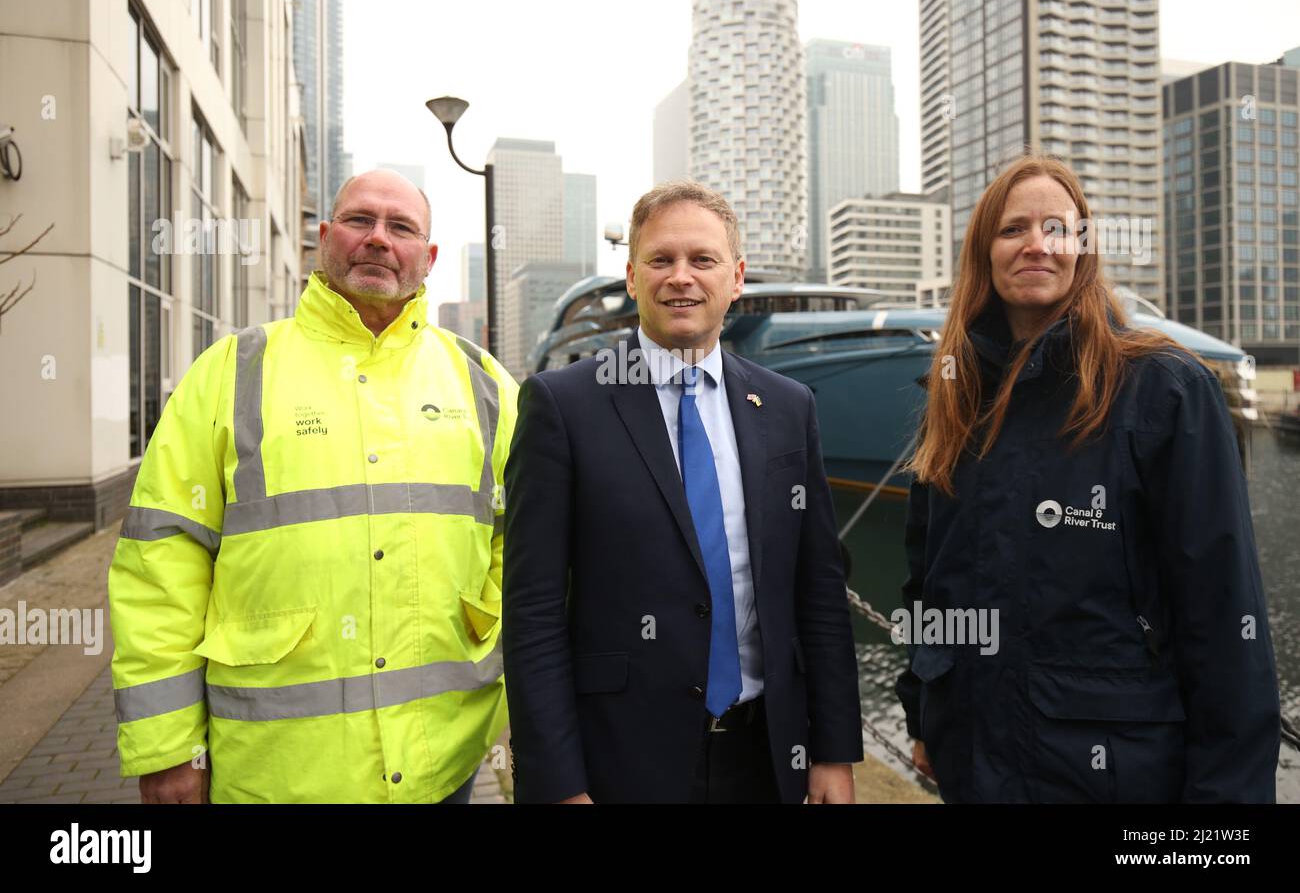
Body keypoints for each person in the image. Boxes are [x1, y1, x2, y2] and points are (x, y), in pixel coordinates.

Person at [109, 169, 517, 803]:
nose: (379, 239)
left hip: (443, 761)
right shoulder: (232, 372)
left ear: (429, 257)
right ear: (324, 238)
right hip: (279, 773)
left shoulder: (483, 382)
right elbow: (161, 562)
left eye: (401, 227)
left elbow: (516, 547)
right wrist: (168, 749)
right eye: (360, 221)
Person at [895, 155, 1280, 802]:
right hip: (973, 763)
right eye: (1013, 229)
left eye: (1057, 227)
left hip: (1108, 778)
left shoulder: (1165, 390)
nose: (1037, 245)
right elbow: (928, 582)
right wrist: (924, 710)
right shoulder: (958, 397)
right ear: (983, 252)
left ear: (1084, 246)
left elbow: (1224, 615)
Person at [503, 180, 862, 803]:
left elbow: (818, 589)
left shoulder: (787, 406)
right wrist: (558, 784)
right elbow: (532, 612)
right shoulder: (564, 405)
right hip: (620, 763)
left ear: (737, 277)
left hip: (765, 757)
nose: (681, 278)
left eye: (702, 260)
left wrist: (833, 750)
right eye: (661, 260)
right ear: (633, 277)